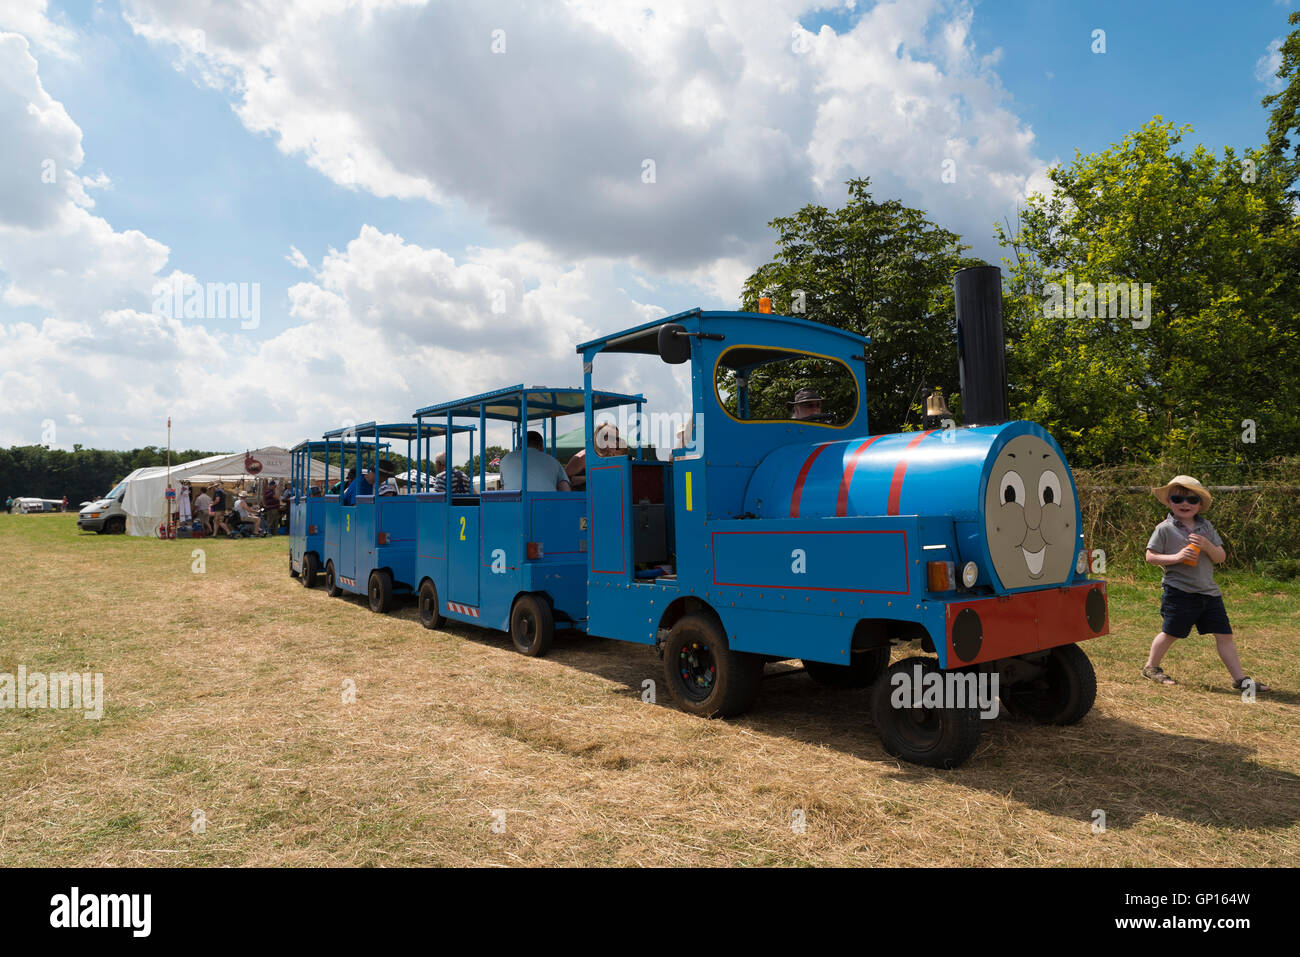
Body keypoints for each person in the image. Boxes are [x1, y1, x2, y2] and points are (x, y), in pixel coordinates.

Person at [1141, 475, 1271, 692]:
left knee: (1225, 635)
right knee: (1171, 632)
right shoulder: (1164, 528)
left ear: (1200, 505)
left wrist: (1207, 545)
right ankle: (1151, 667)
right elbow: (1150, 557)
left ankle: (1241, 680)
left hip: (1209, 593)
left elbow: (1220, 557)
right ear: (1169, 502)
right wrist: (1177, 557)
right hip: (1179, 592)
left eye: (1192, 500)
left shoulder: (1206, 527)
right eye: (1178, 499)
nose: (1185, 504)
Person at [502, 430, 572, 492]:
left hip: (514, 504)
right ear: (541, 447)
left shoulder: (505, 459)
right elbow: (565, 487)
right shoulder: (553, 461)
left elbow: (503, 488)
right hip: (546, 504)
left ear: (520, 447)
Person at [564, 424, 621, 491]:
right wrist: (590, 477)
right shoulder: (583, 457)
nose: (616, 442)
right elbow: (563, 480)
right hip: (583, 499)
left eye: (617, 439)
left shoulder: (610, 458)